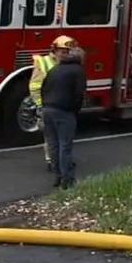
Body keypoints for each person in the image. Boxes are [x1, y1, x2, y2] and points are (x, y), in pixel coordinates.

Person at [40, 46, 87, 189]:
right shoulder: (78, 71)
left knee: (53, 145)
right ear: (80, 58)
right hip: (64, 111)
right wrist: (75, 111)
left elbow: (43, 88)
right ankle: (68, 179)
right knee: (65, 146)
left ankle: (58, 177)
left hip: (47, 110)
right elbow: (79, 94)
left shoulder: (55, 69)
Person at [29, 35, 77, 171]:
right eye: (63, 51)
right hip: (48, 106)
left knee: (63, 138)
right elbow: (35, 86)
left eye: (68, 52)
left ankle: (61, 161)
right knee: (50, 138)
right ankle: (51, 161)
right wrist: (39, 105)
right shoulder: (44, 63)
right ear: (54, 50)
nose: (66, 54)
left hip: (62, 105)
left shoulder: (66, 64)